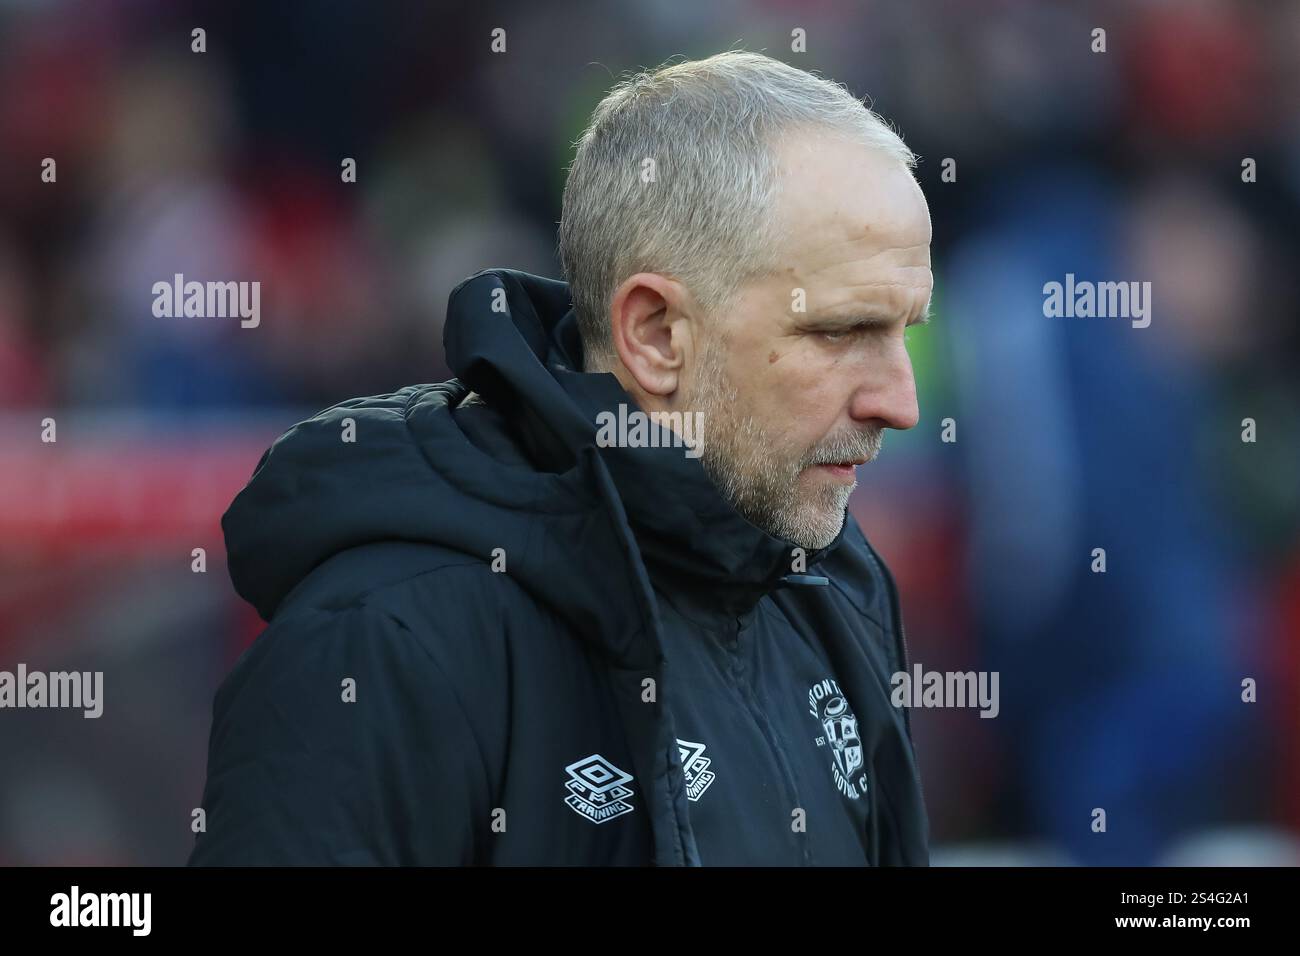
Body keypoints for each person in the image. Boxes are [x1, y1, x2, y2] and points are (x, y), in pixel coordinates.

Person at [190, 50, 933, 866]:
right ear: (654, 334)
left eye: (906, 331)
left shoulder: (835, 587)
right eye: (838, 331)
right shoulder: (381, 649)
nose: (900, 403)